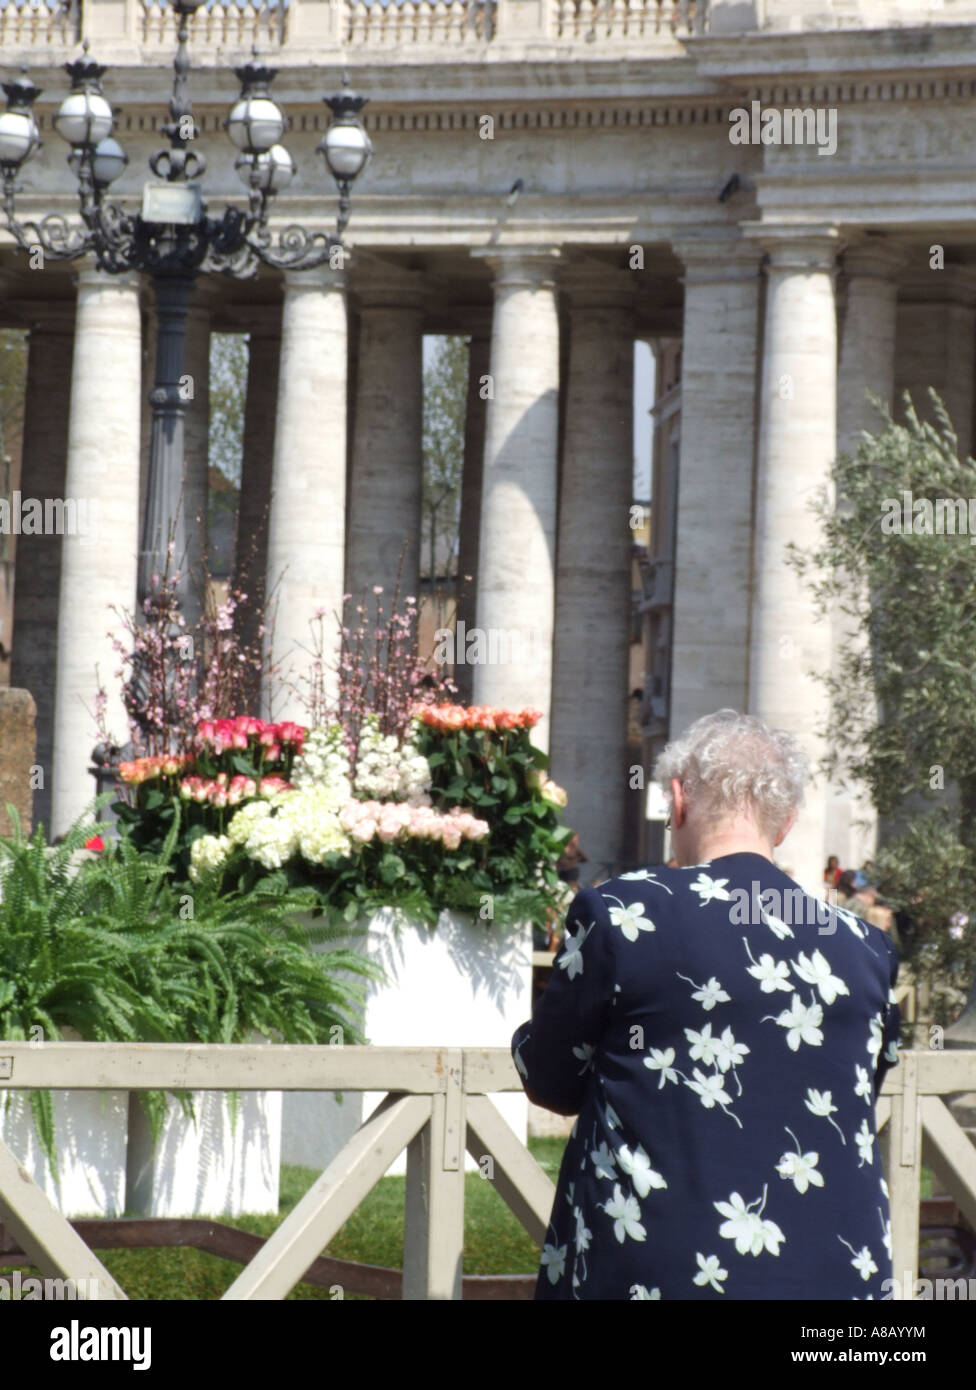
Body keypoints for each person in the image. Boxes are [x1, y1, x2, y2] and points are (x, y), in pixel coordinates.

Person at [511, 709, 900, 1300]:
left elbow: (551, 1079)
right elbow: (856, 1087)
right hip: (836, 1279)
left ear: (678, 800)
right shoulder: (864, 945)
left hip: (658, 1270)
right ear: (788, 821)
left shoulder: (622, 915)